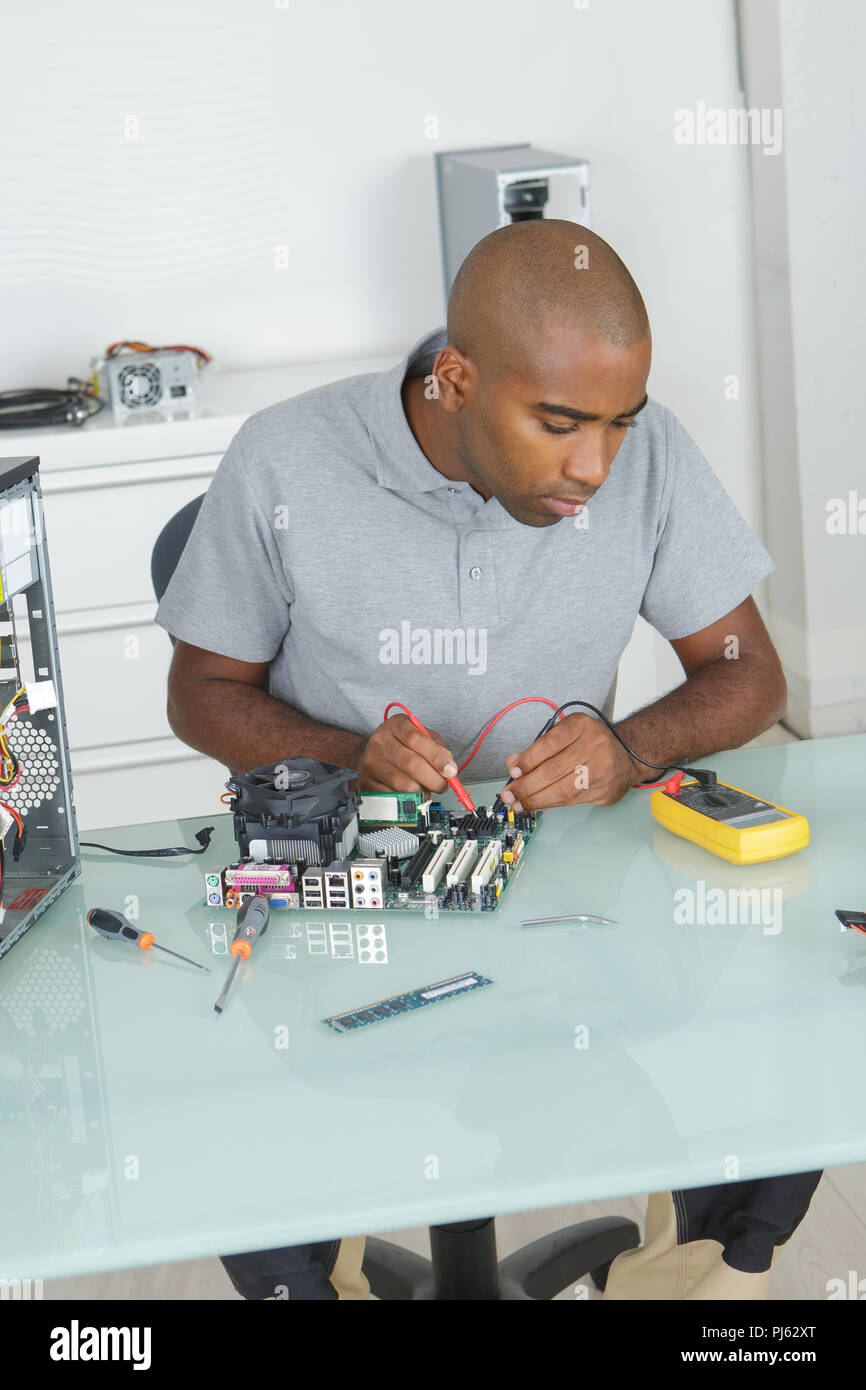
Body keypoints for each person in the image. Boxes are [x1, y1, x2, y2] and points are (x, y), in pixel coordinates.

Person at [155, 219, 820, 1300]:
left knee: (790, 1077)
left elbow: (749, 676)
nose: (593, 466)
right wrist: (346, 757)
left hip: (572, 904)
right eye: (559, 422)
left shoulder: (644, 460)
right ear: (455, 378)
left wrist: (628, 744)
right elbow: (201, 692)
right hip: (350, 905)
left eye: (617, 423)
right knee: (259, 1177)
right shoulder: (284, 457)